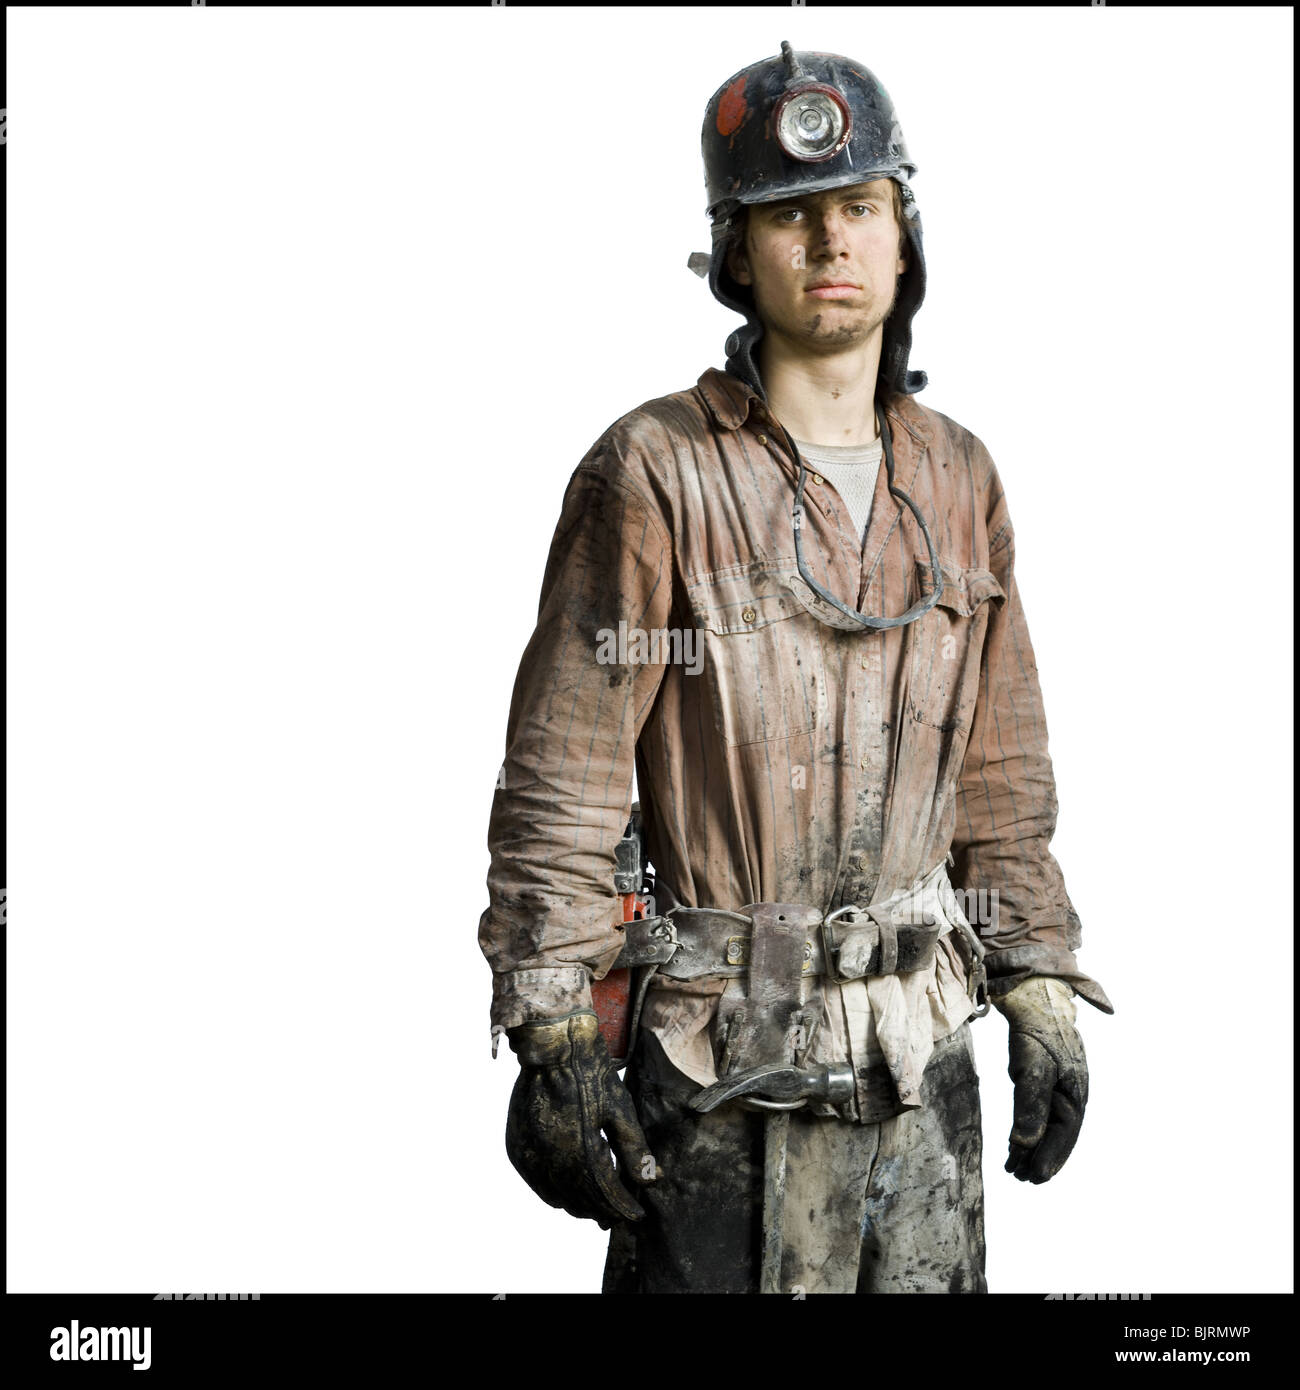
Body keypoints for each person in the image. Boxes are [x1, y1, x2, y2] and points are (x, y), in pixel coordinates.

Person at [478, 42, 1112, 1294]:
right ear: (736, 250)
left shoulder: (958, 479)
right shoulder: (653, 470)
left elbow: (998, 769)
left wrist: (1033, 969)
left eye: (858, 208)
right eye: (790, 215)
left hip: (914, 1058)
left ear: (903, 236)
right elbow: (568, 774)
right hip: (718, 1061)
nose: (830, 243)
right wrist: (554, 1032)